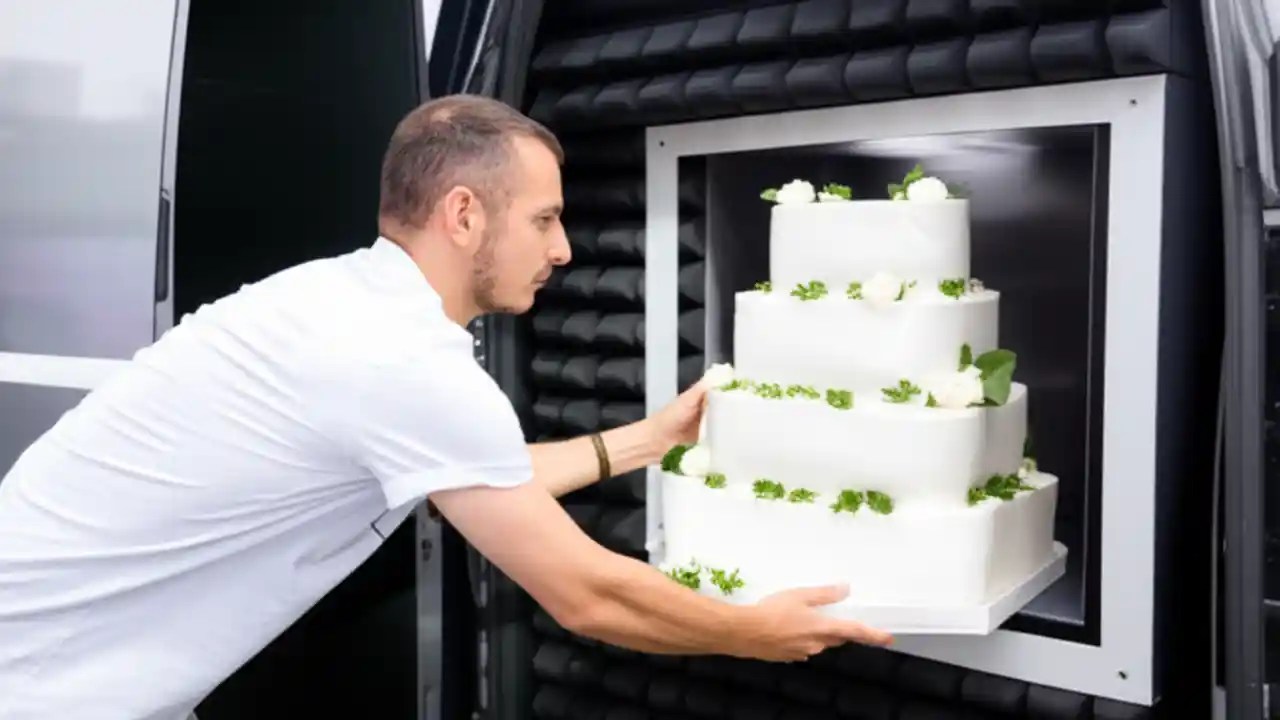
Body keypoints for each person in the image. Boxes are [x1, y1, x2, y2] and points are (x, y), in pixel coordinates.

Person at [0, 94, 892, 720]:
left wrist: (649, 439)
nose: (567, 249)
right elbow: (586, 596)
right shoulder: (402, 361)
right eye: (544, 220)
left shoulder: (337, 301)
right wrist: (754, 631)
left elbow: (470, 480)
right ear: (464, 214)